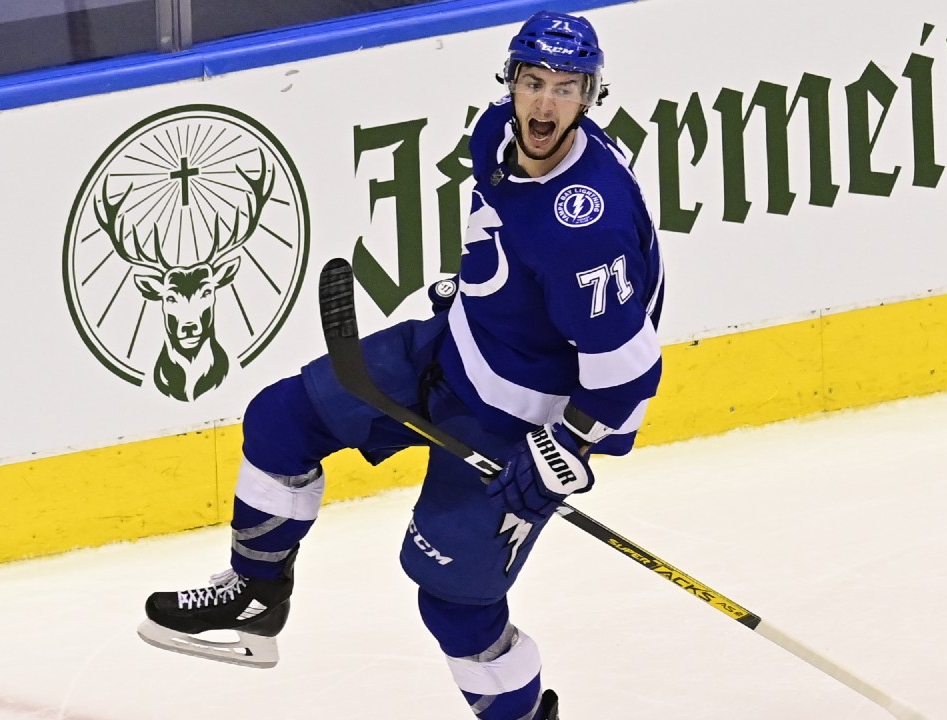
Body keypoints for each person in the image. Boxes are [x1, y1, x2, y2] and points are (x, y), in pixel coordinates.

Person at [138, 10, 664, 719]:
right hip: (453, 350)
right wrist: (487, 289)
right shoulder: (497, 134)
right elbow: (506, 229)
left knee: (457, 610)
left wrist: (565, 451)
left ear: (590, 97)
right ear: (510, 81)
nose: (545, 102)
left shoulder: (586, 230)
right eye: (533, 81)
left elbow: (627, 374)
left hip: (516, 420)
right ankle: (256, 596)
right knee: (281, 422)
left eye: (566, 88)